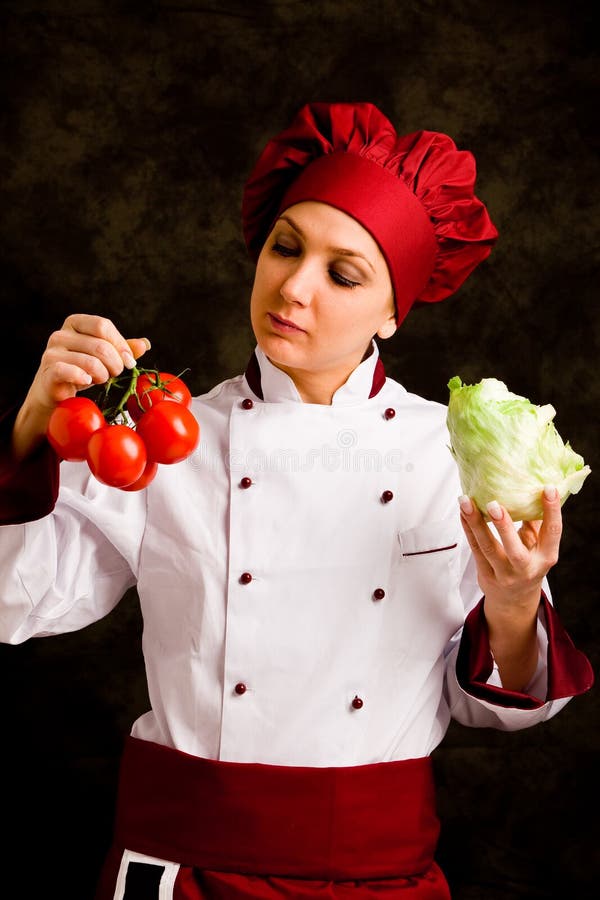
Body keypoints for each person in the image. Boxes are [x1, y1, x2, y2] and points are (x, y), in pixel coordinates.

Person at [0, 102, 593, 900]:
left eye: (342, 274)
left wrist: (515, 601)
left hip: (378, 876)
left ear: (393, 311)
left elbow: (501, 710)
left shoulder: (448, 452)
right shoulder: (165, 437)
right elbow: (13, 604)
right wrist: (26, 436)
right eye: (285, 247)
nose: (293, 286)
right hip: (186, 868)